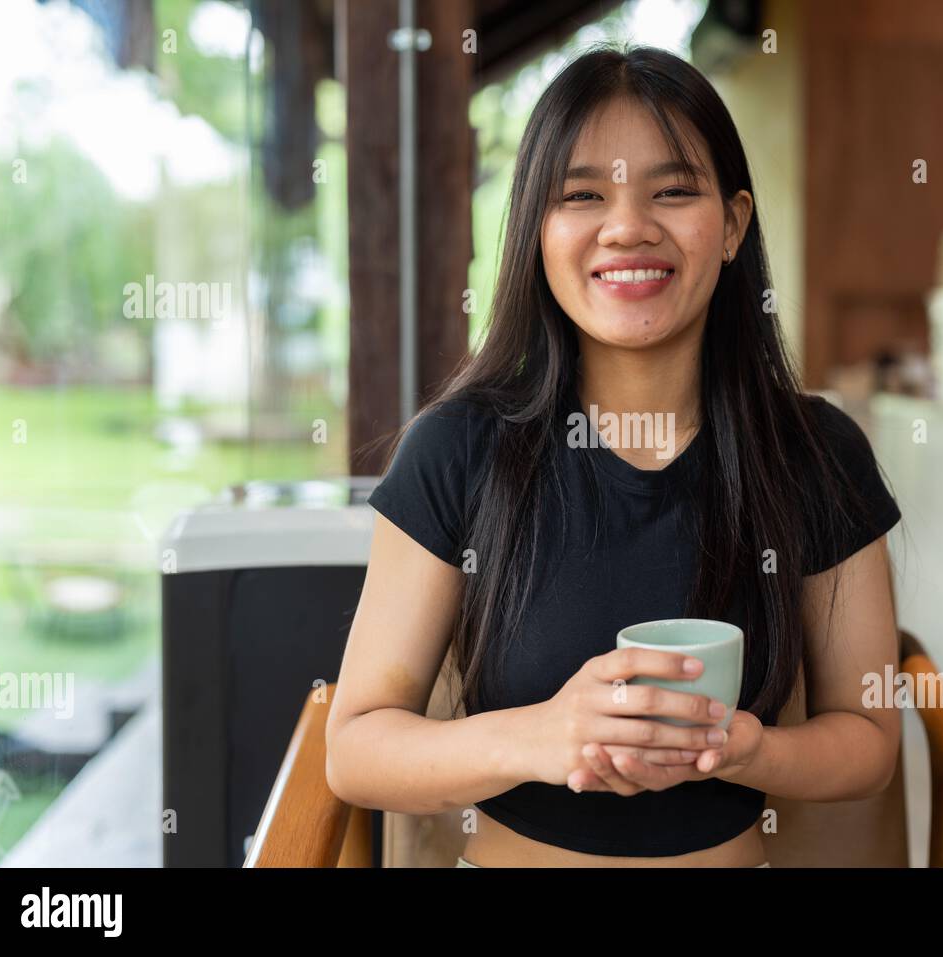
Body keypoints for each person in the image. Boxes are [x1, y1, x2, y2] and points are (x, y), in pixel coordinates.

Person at [325, 43, 903, 867]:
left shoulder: (818, 455)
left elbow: (870, 740)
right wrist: (542, 735)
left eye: (673, 191)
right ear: (537, 230)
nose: (628, 227)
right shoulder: (458, 447)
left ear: (733, 224)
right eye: (582, 195)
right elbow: (355, 748)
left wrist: (747, 749)